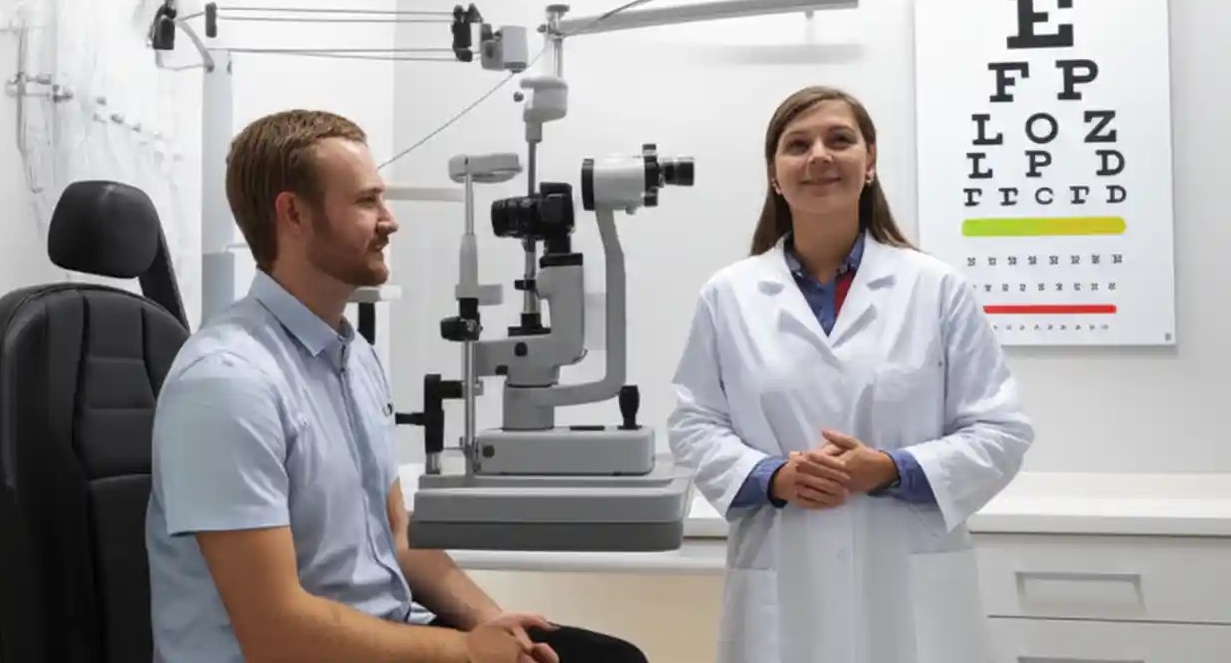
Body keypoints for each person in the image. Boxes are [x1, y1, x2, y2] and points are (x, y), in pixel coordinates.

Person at [144, 109, 649, 663]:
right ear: (293, 213)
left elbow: (396, 534)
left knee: (610, 659)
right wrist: (466, 653)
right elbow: (276, 632)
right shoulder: (227, 384)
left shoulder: (353, 356)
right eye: (366, 201)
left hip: (380, 632)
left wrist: (493, 625)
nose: (390, 219)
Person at [666, 86, 1035, 663]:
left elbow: (1000, 432)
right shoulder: (729, 295)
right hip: (783, 577)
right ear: (774, 174)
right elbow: (694, 425)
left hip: (907, 583)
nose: (819, 156)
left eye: (839, 140)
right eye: (798, 144)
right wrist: (770, 477)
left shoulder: (936, 289)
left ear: (870, 163)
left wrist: (890, 470)